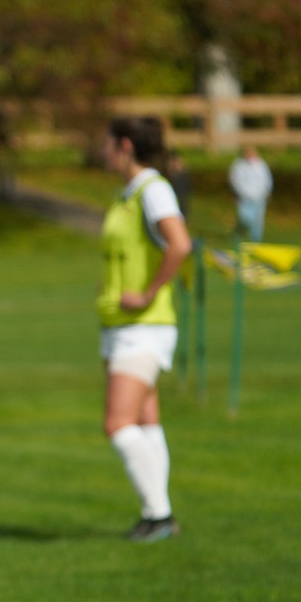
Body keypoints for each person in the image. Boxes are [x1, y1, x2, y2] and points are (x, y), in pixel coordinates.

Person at [98, 117, 192, 542]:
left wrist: (150, 292)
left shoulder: (153, 189)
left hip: (144, 327)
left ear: (124, 145)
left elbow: (181, 243)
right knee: (145, 419)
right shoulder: (129, 193)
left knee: (118, 423)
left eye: (106, 144)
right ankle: (158, 513)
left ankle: (159, 513)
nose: (102, 151)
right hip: (122, 325)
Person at [229, 145, 273, 242]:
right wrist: (238, 192)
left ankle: (255, 241)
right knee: (245, 219)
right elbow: (234, 180)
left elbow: (267, 180)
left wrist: (267, 192)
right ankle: (238, 236)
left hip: (259, 197)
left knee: (258, 221)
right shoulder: (239, 165)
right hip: (244, 197)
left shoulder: (261, 165)